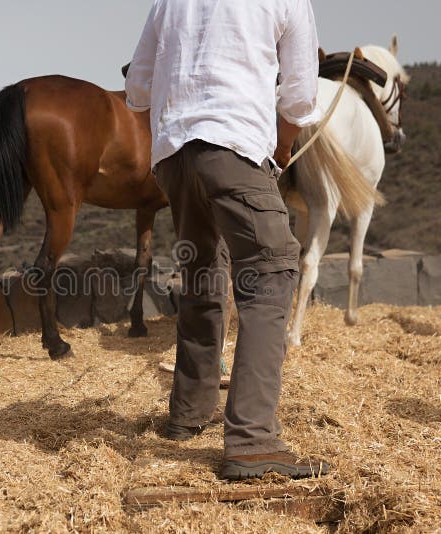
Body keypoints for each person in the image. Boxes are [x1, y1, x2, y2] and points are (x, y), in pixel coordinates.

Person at [125, 0, 330, 480]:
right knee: (274, 271)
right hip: (234, 146)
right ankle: (253, 441)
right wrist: (278, 151)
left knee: (202, 278)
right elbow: (299, 95)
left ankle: (189, 415)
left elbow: (137, 89)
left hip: (174, 158)